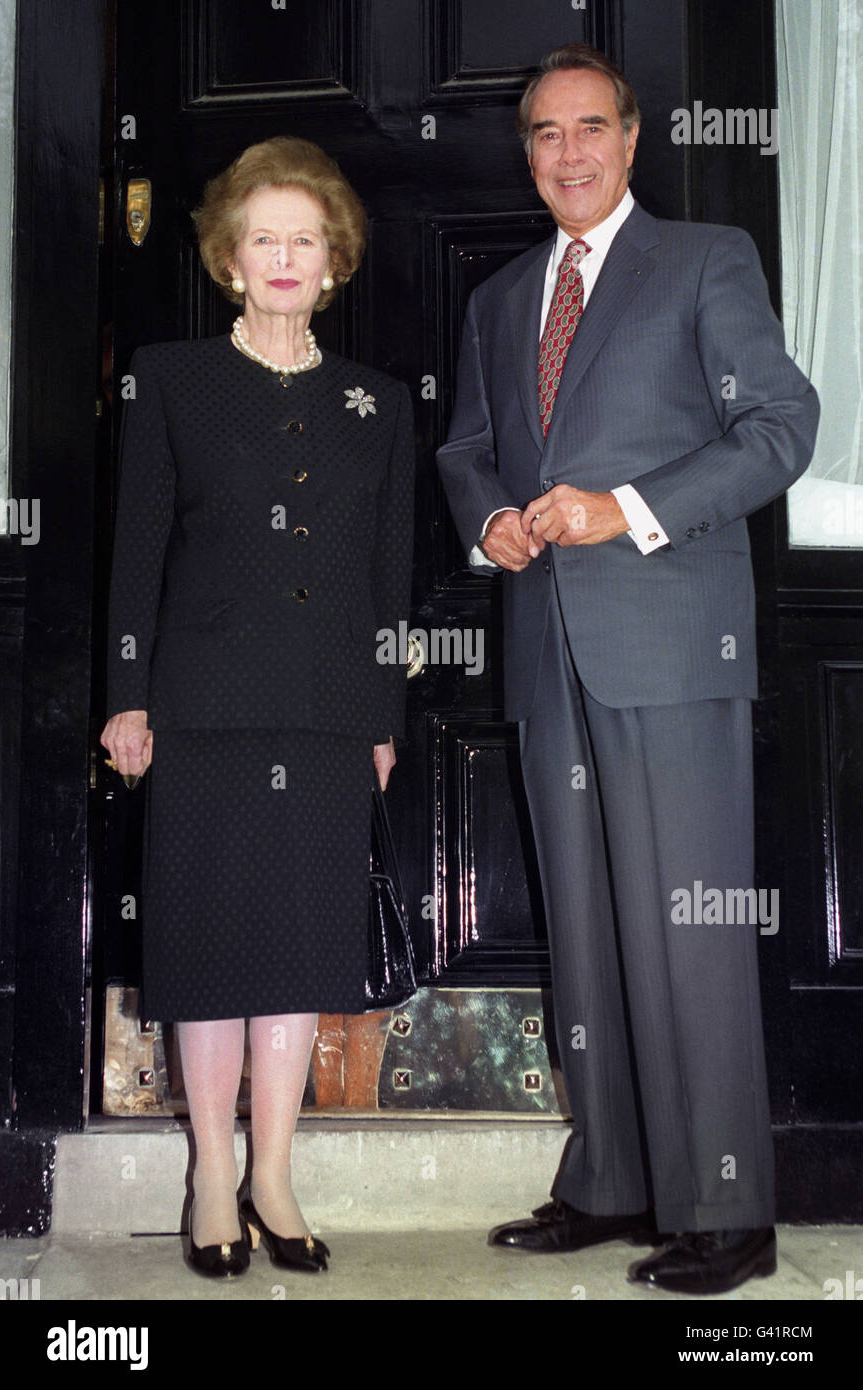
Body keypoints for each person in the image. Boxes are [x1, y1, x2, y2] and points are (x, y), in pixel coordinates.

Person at [436, 42, 819, 1295]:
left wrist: (630, 509)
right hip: (546, 649)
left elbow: (779, 425)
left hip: (671, 642)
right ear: (526, 152)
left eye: (589, 127)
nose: (568, 152)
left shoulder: (704, 262)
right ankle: (607, 1183)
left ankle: (724, 1209)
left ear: (632, 138)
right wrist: (488, 519)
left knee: (687, 932)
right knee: (587, 935)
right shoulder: (498, 300)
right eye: (544, 134)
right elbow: (468, 449)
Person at [101, 136, 414, 1279]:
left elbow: (388, 580)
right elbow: (136, 555)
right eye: (263, 239)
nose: (285, 257)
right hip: (202, 710)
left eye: (306, 240)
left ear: (334, 261)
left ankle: (272, 1175)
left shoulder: (375, 404)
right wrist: (127, 700)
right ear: (230, 259)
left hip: (328, 713)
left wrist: (382, 717)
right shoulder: (173, 380)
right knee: (210, 947)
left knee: (294, 953)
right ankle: (204, 1176)